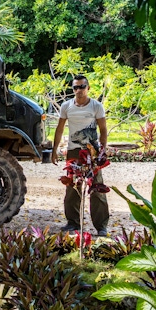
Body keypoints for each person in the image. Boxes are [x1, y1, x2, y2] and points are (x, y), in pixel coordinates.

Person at [51, 74, 110, 236]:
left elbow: (103, 129)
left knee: (97, 187)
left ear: (88, 88)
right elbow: (60, 129)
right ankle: (73, 223)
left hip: (92, 151)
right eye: (75, 87)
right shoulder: (66, 106)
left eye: (82, 86)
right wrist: (55, 149)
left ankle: (101, 226)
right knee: (72, 187)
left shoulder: (96, 106)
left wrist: (101, 151)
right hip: (73, 151)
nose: (79, 90)